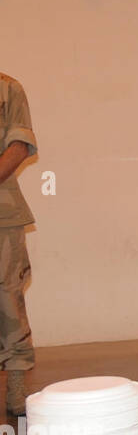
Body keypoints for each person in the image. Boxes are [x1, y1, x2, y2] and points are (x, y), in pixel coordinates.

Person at [0, 73, 36, 417]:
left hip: (2, 212)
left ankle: (15, 385)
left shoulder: (8, 89)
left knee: (7, 298)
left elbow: (19, 146)